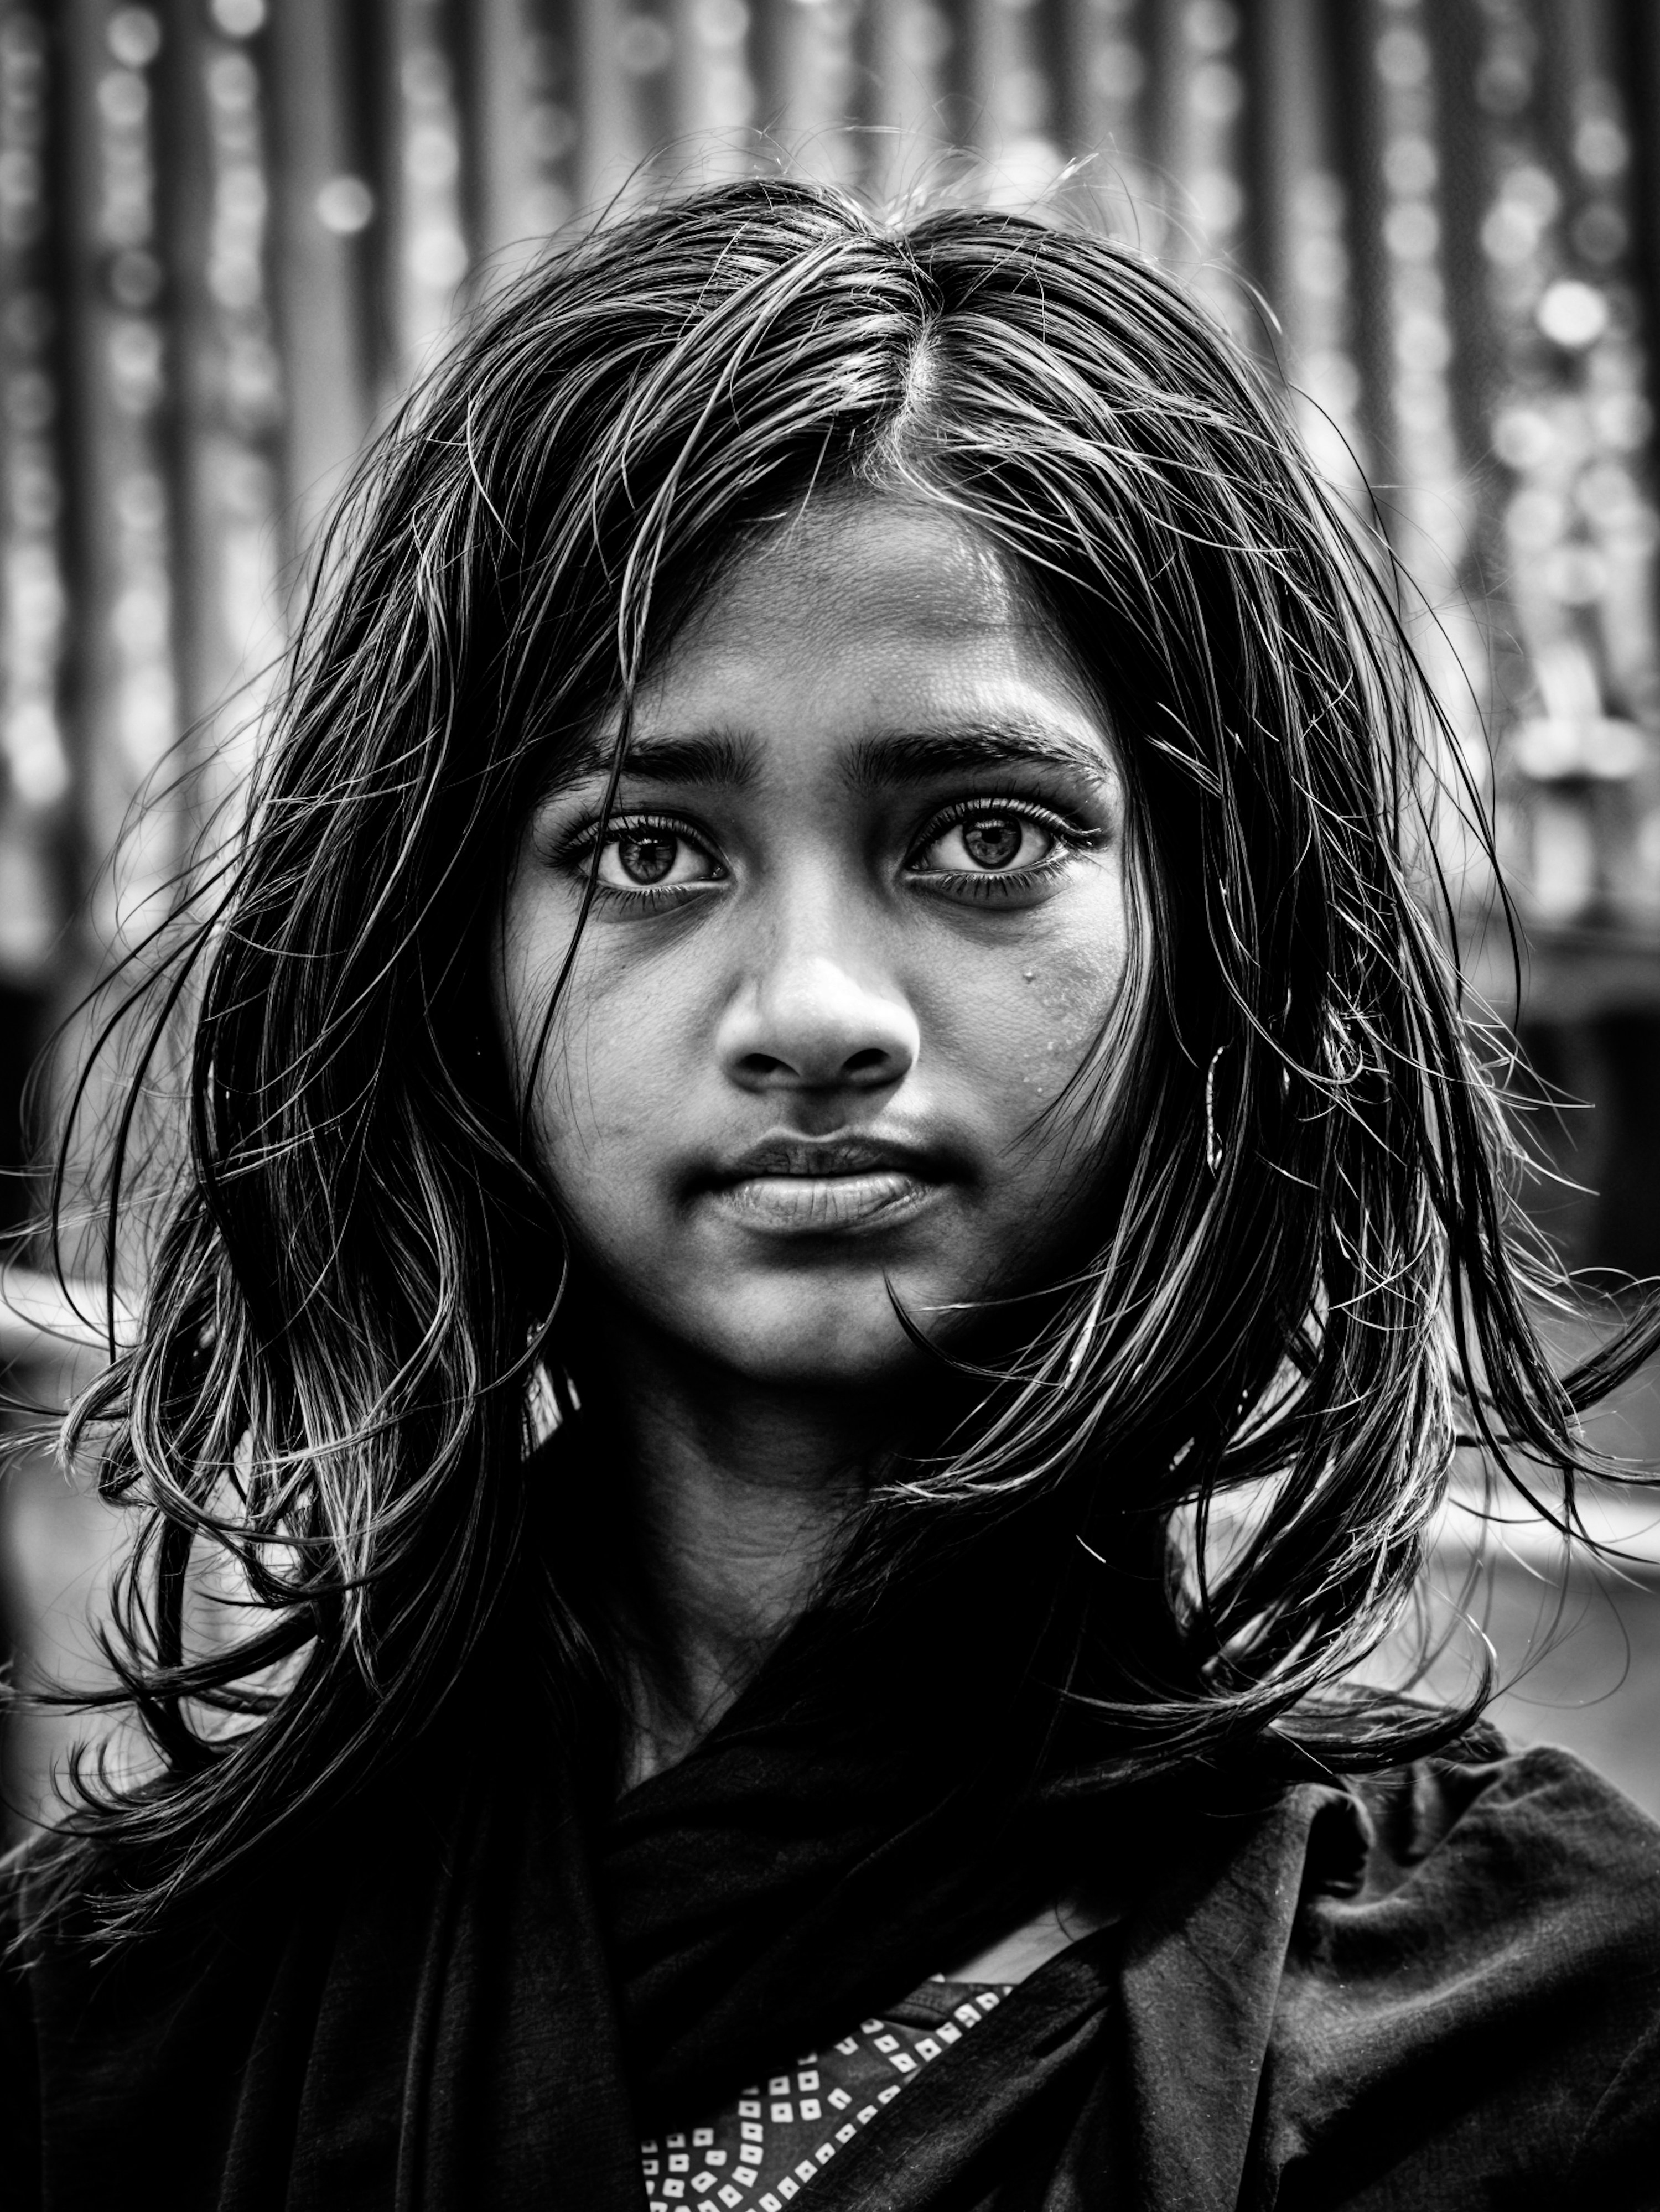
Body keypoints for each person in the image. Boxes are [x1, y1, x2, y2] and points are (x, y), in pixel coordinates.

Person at [3, 175, 1659, 2210]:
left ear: (1216, 933)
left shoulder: (1552, 2030)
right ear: (446, 964)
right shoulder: (119, 2022)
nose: (810, 1010)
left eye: (981, 834)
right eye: (649, 851)